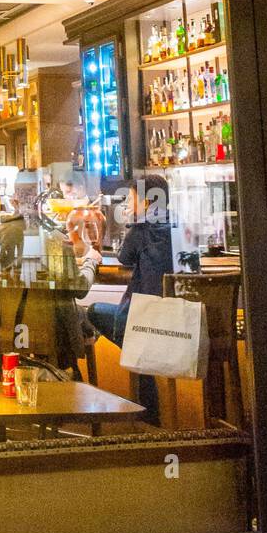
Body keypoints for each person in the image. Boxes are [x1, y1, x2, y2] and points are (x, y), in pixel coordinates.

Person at [87, 175, 174, 425]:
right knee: (139, 345)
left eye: (132, 198)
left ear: (146, 202)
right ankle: (149, 415)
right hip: (177, 322)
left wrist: (131, 221)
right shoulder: (178, 226)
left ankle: (148, 413)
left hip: (146, 320)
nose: (127, 202)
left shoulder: (141, 230)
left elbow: (124, 258)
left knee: (93, 311)